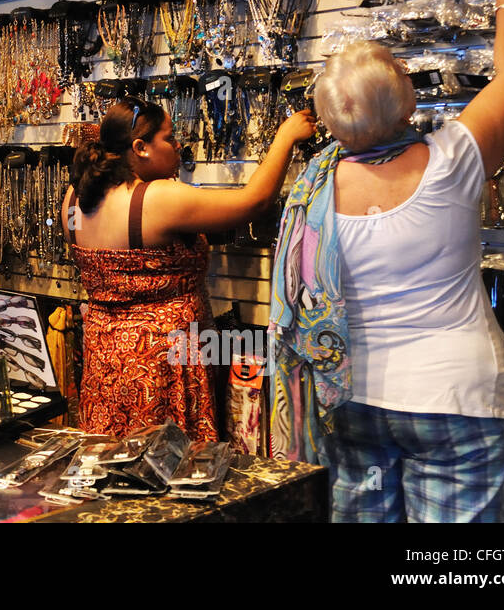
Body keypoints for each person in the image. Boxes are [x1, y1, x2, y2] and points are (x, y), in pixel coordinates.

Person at [273, 0, 504, 523]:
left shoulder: (310, 193)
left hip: (353, 401)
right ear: (407, 104)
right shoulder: (452, 160)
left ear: (327, 124)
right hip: (454, 401)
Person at [62, 98, 317, 440]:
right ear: (140, 147)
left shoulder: (74, 198)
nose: (179, 146)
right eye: (169, 138)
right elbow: (253, 202)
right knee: (171, 470)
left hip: (104, 359)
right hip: (162, 361)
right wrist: (285, 137)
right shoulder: (159, 198)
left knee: (113, 461)